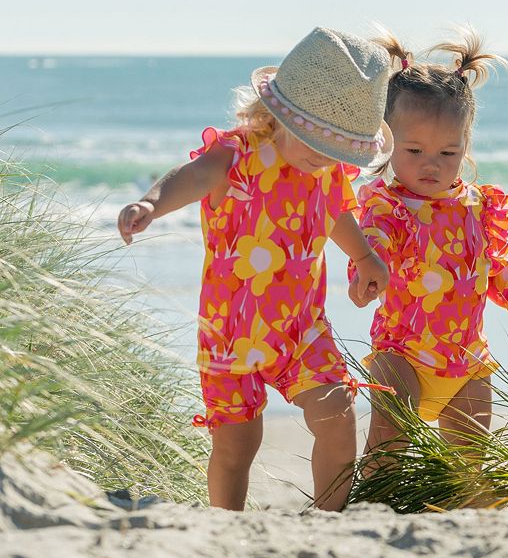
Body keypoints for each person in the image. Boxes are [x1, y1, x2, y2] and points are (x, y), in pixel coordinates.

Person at [117, 27, 394, 512]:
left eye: (339, 150)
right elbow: (193, 176)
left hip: (301, 328)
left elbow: (335, 213)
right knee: (237, 443)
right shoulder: (238, 154)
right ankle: (228, 525)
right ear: (280, 114)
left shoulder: (324, 171)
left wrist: (365, 256)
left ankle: (328, 519)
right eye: (315, 141)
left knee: (337, 413)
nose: (325, 157)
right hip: (230, 331)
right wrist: (150, 204)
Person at [350, 27, 508, 460]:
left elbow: (492, 264)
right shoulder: (390, 207)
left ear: (465, 146)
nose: (431, 165)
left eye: (447, 153)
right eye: (414, 150)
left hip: (468, 360)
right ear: (385, 144)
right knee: (388, 444)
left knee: (470, 458)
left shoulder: (478, 206)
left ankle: (462, 511)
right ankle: (375, 505)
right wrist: (368, 272)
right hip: (402, 353)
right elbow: (371, 245)